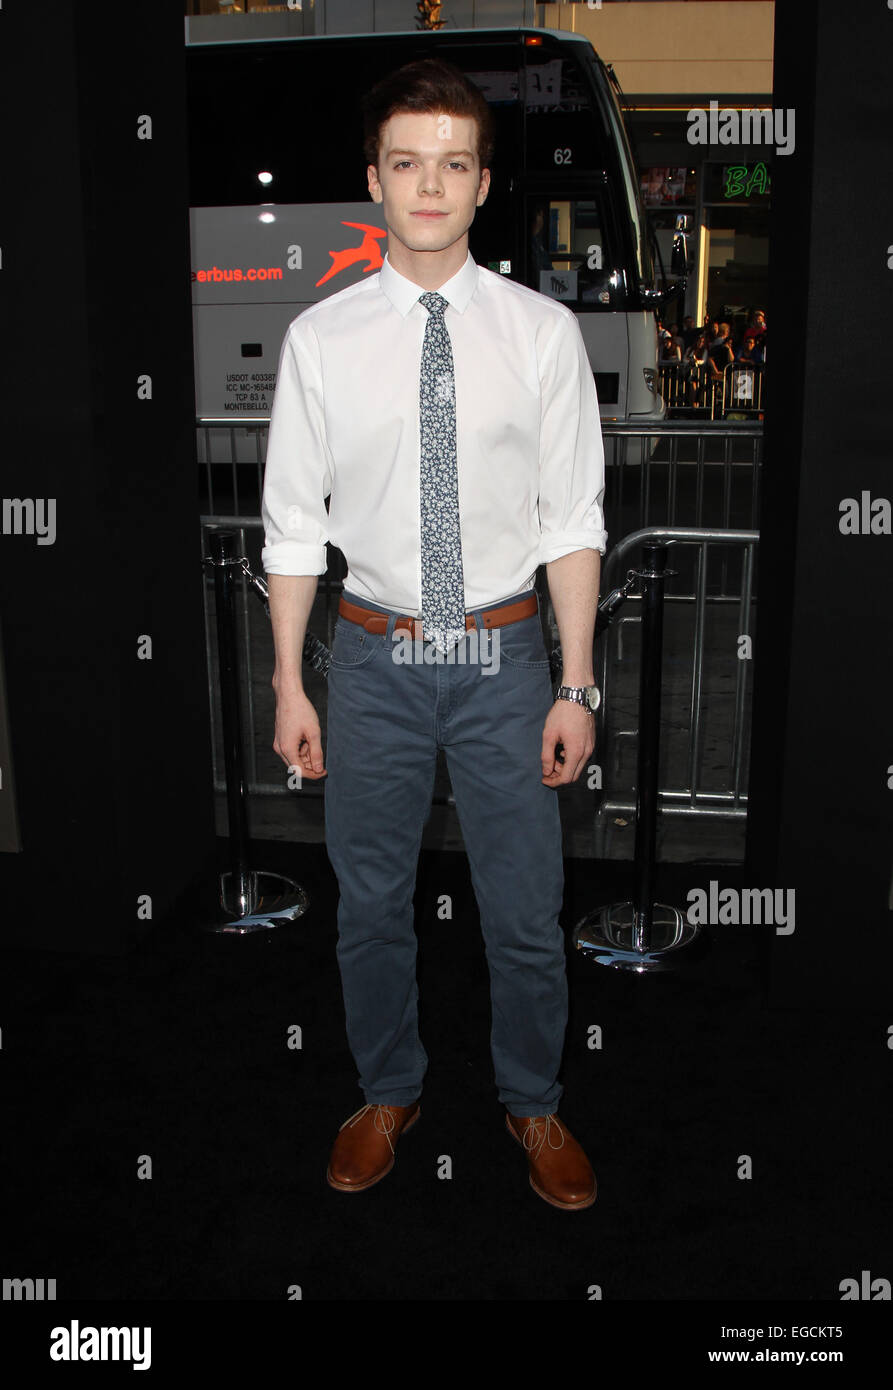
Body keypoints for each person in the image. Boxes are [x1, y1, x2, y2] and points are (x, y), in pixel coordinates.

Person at [260, 57, 605, 1211]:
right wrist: (286, 685)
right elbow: (292, 531)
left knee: (521, 905)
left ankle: (532, 1101)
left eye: (452, 164)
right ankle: (386, 1090)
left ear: (481, 182)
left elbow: (572, 522)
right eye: (406, 162)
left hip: (505, 656)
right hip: (370, 656)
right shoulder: (318, 340)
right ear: (374, 178)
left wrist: (577, 683)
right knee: (367, 903)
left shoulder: (543, 334)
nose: (428, 184)